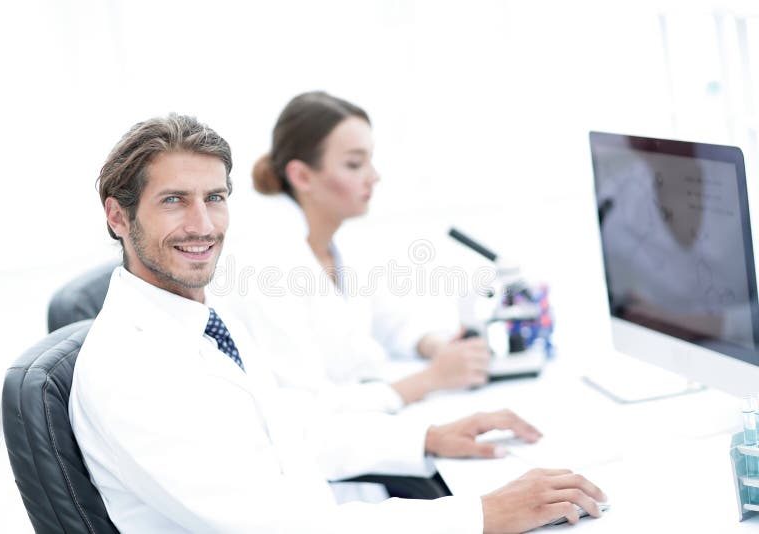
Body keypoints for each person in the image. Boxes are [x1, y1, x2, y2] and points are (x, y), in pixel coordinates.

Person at [68, 113, 607, 532]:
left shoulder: (205, 317)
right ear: (118, 216)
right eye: (173, 201)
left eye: (215, 198)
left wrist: (428, 436)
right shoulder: (128, 370)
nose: (203, 225)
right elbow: (274, 527)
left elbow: (286, 435)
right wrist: (480, 514)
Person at [223, 91, 490, 414]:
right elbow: (306, 405)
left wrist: (439, 347)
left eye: (370, 161)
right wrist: (433, 378)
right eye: (354, 164)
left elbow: (391, 321)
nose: (373, 177)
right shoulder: (264, 262)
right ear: (302, 176)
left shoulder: (336, 246)